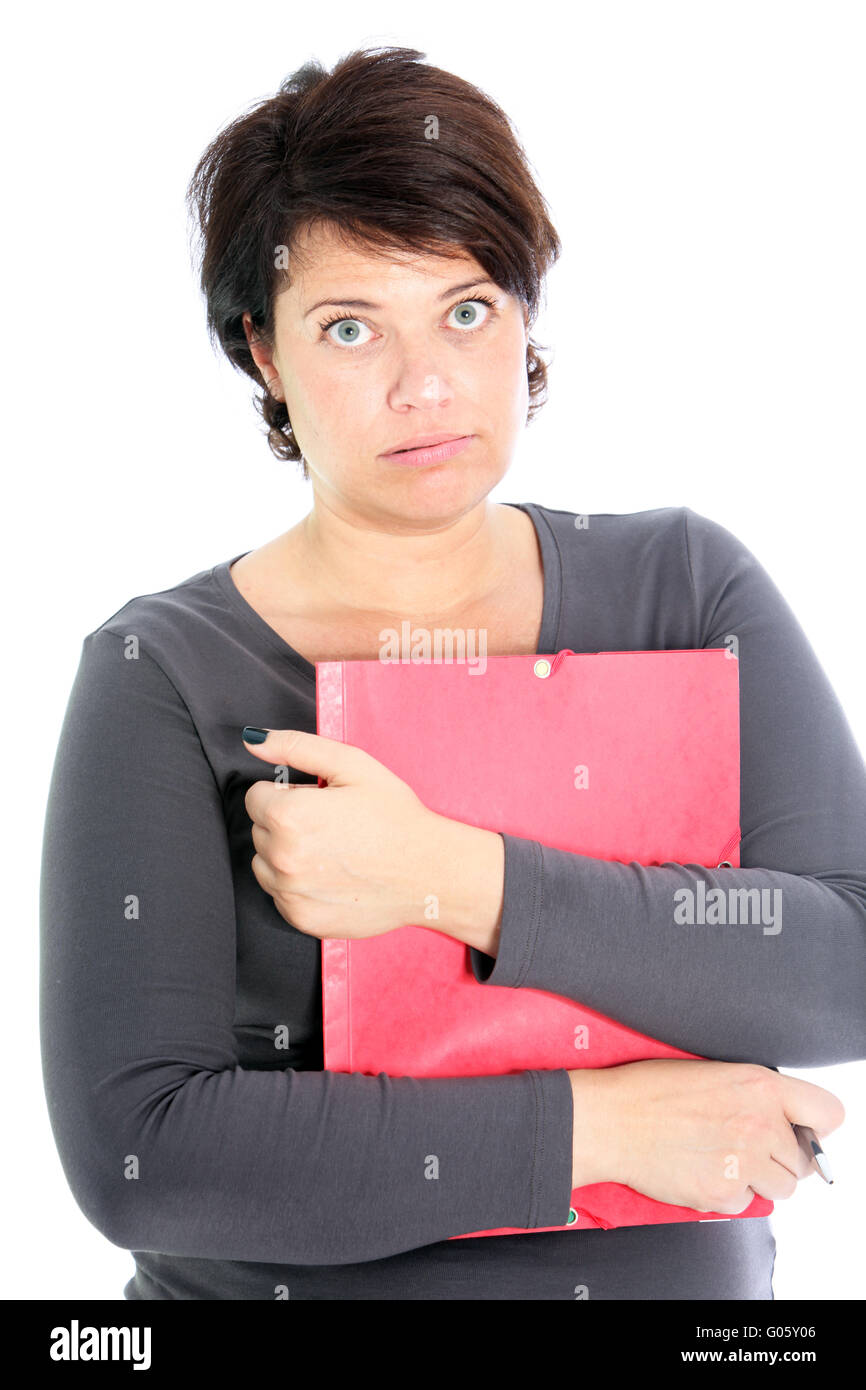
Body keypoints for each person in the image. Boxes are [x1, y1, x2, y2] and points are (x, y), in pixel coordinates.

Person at [39, 46, 861, 1302]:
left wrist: (443, 876)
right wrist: (610, 1129)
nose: (424, 386)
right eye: (350, 326)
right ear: (262, 351)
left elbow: (844, 965)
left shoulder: (683, 589)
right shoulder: (164, 670)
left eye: (466, 310)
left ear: (525, 313)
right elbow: (143, 1158)